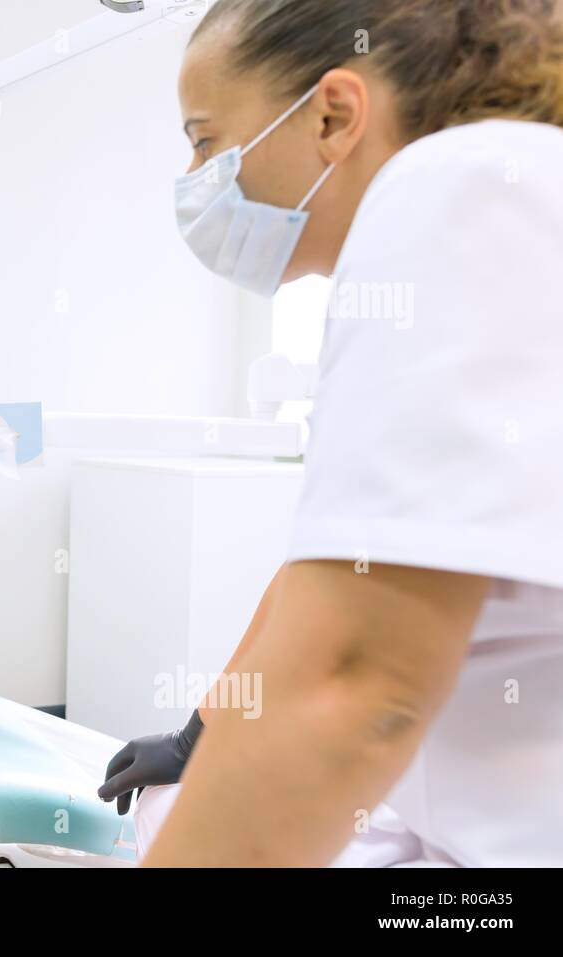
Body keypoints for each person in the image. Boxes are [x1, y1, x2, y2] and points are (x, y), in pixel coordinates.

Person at [101, 0, 563, 866]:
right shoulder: (505, 195)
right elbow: (340, 570)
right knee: (166, 809)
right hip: (472, 808)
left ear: (333, 115)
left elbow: (355, 682)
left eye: (206, 140)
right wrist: (199, 731)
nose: (198, 175)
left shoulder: (452, 188)